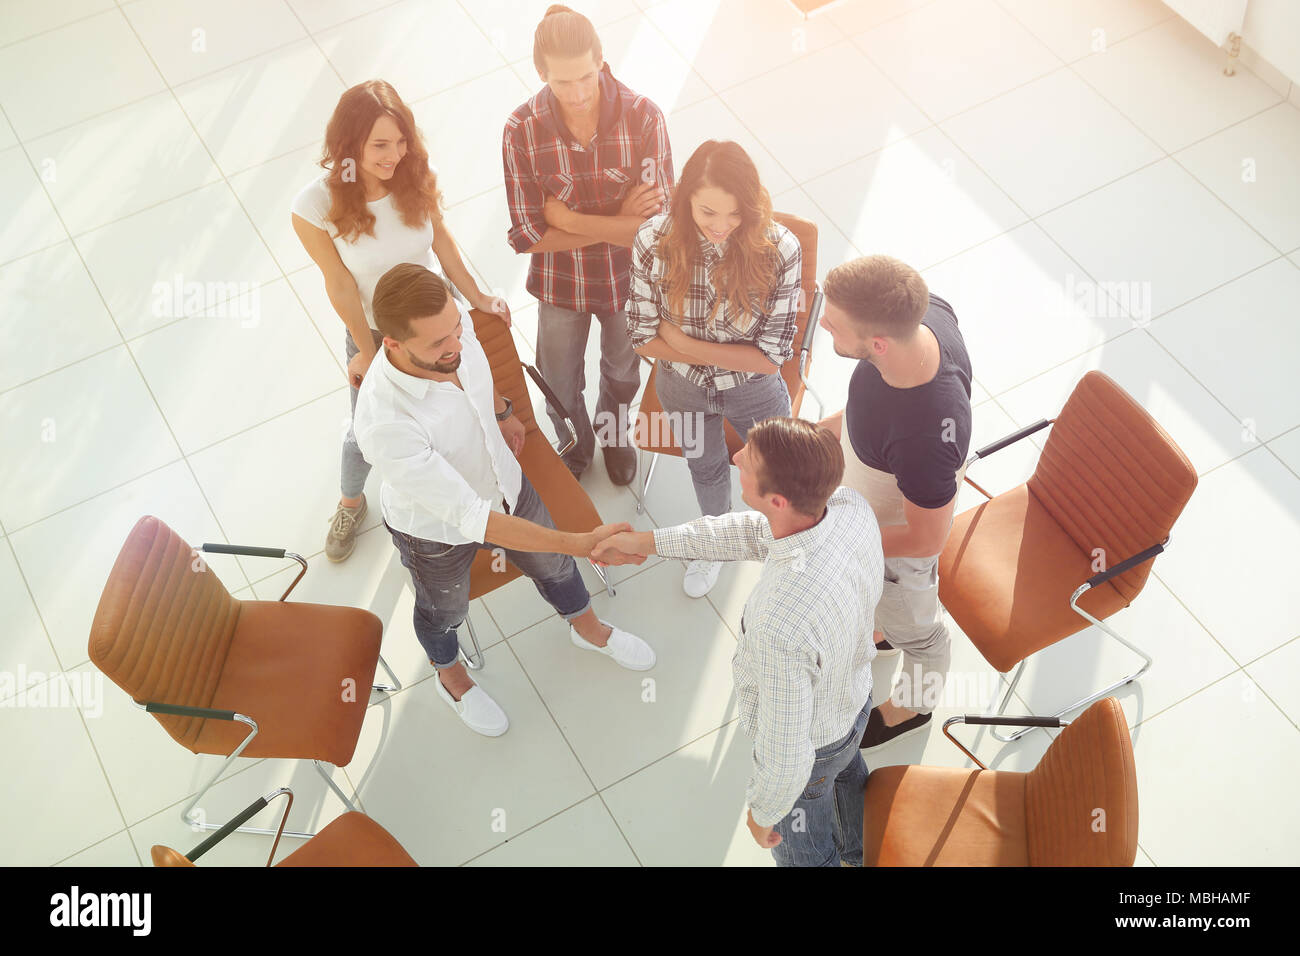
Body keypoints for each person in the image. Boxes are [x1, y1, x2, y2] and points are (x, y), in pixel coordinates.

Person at [353, 264, 655, 738]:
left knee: (554, 567)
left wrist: (502, 411)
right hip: (437, 531)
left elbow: (474, 364)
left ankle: (589, 631)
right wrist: (580, 542)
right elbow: (476, 519)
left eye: (456, 329)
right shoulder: (384, 423)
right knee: (444, 611)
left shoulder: (452, 324)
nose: (454, 343)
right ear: (392, 344)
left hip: (507, 482)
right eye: (437, 344)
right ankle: (452, 680)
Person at [593, 417, 882, 867]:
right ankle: (863, 853)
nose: (736, 457)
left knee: (807, 852)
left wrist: (764, 813)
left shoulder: (779, 625)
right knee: (848, 777)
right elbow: (747, 532)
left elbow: (787, 753)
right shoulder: (847, 508)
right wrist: (648, 542)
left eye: (749, 460)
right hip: (855, 701)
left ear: (778, 500)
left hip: (812, 751)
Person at [292, 79, 510, 563]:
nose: (394, 155)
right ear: (349, 145)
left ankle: (469, 486)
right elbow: (341, 285)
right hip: (375, 333)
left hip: (436, 320)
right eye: (380, 145)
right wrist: (368, 358)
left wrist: (478, 297)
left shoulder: (413, 175)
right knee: (364, 430)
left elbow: (443, 243)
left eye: (401, 141)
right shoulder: (314, 207)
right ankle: (351, 502)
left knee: (461, 404)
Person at [502, 4, 674, 484]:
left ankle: (614, 438)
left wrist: (569, 219)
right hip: (561, 284)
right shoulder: (521, 130)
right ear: (541, 73)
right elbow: (527, 236)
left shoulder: (644, 119)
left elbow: (659, 230)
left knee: (622, 375)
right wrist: (620, 221)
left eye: (585, 77)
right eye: (562, 82)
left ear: (601, 60)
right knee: (557, 381)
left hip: (630, 281)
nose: (577, 95)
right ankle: (575, 446)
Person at [625, 140, 802, 598]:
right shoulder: (653, 241)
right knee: (705, 471)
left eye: (735, 214)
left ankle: (792, 545)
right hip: (682, 388)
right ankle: (716, 545)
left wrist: (681, 341)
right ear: (685, 199)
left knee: (782, 472)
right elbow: (643, 336)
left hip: (756, 389)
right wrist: (704, 351)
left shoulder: (779, 249)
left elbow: (771, 356)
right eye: (707, 213)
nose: (721, 227)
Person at [816, 255, 972, 750]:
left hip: (898, 538)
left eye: (833, 323)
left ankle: (914, 706)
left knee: (922, 636)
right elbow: (870, 409)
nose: (821, 321)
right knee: (879, 608)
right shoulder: (928, 314)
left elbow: (927, 537)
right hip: (878, 493)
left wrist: (839, 536)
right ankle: (880, 635)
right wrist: (820, 432)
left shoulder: (924, 435)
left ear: (876, 344)